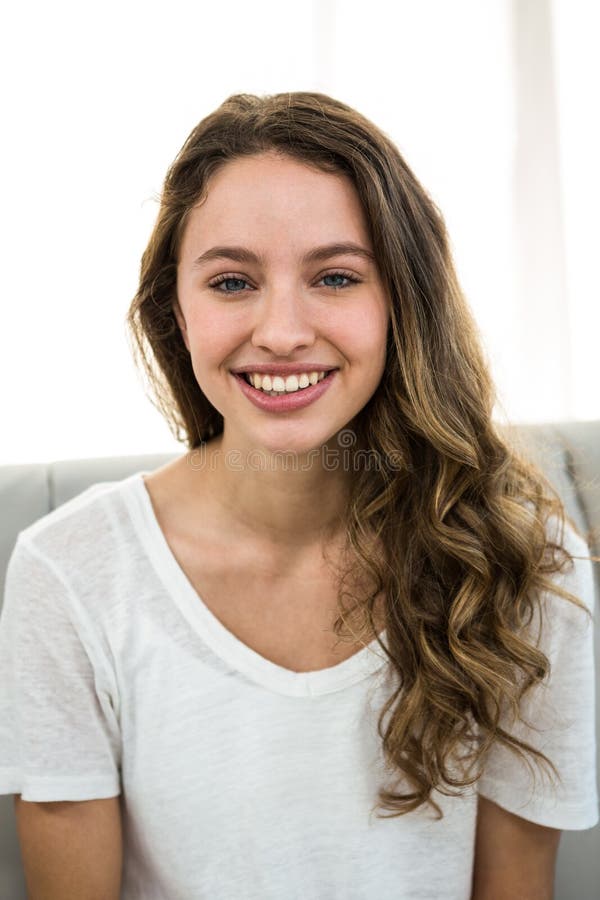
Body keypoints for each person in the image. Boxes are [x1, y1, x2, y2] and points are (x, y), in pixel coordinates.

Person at [0, 91, 597, 900]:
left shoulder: (528, 565)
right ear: (175, 307)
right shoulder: (68, 573)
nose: (281, 331)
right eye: (233, 281)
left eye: (337, 276)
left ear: (402, 304)